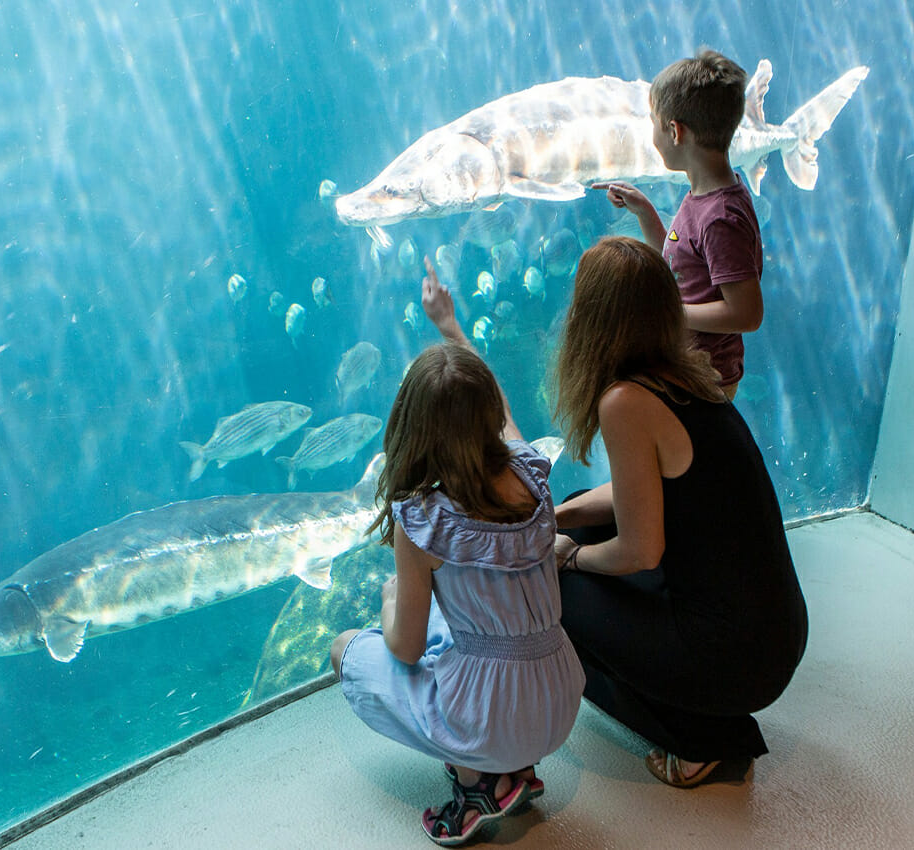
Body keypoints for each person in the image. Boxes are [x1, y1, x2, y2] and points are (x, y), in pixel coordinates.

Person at [330, 258, 584, 846]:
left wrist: (393, 599)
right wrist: (452, 329)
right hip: (561, 703)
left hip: (489, 721)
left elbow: (407, 646)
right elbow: (500, 410)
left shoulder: (420, 521)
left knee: (348, 652)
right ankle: (511, 767)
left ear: (410, 426)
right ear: (489, 418)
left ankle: (477, 779)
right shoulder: (534, 473)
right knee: (466, 622)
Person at [551, 235, 807, 788]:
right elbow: (640, 498)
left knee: (555, 589)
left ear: (591, 318)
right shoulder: (686, 373)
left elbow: (641, 549)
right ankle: (693, 701)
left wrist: (570, 560)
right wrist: (556, 519)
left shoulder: (624, 400)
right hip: (774, 635)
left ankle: (700, 738)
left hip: (734, 660)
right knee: (577, 509)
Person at [592, 48, 764, 400]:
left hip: (705, 380)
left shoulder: (720, 217)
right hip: (688, 368)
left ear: (675, 131)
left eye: (653, 121)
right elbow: (682, 268)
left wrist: (671, 314)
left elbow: (747, 313)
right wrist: (645, 213)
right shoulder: (704, 193)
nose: (651, 133)